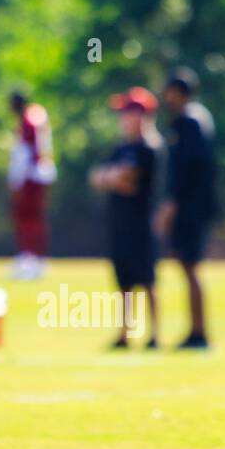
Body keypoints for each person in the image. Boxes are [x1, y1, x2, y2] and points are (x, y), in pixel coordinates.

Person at [89, 87, 162, 349]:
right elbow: (97, 178)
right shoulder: (121, 148)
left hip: (141, 225)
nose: (123, 119)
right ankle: (125, 333)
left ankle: (154, 335)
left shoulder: (149, 148)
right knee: (124, 283)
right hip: (120, 225)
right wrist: (111, 178)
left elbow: (127, 180)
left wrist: (111, 178)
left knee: (148, 280)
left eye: (127, 114)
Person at [156, 68, 217, 349]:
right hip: (196, 206)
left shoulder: (188, 122)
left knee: (190, 266)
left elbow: (186, 170)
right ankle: (196, 330)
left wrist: (171, 204)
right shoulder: (199, 118)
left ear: (178, 92)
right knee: (188, 266)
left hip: (190, 208)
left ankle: (199, 332)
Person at [7, 90, 56, 279]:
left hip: (31, 177)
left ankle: (30, 259)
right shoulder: (37, 114)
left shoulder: (28, 120)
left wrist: (16, 181)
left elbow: (26, 154)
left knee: (28, 219)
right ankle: (35, 259)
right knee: (35, 219)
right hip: (40, 175)